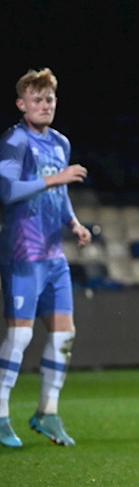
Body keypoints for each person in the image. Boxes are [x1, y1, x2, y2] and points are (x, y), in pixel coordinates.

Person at [0, 68, 91, 448]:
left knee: (64, 334)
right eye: (37, 99)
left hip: (53, 254)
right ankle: (1, 415)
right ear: (22, 104)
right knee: (20, 334)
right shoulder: (15, 141)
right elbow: (6, 190)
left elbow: (61, 192)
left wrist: (74, 222)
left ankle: (47, 413)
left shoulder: (59, 143)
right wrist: (56, 179)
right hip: (23, 252)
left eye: (50, 99)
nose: (45, 105)